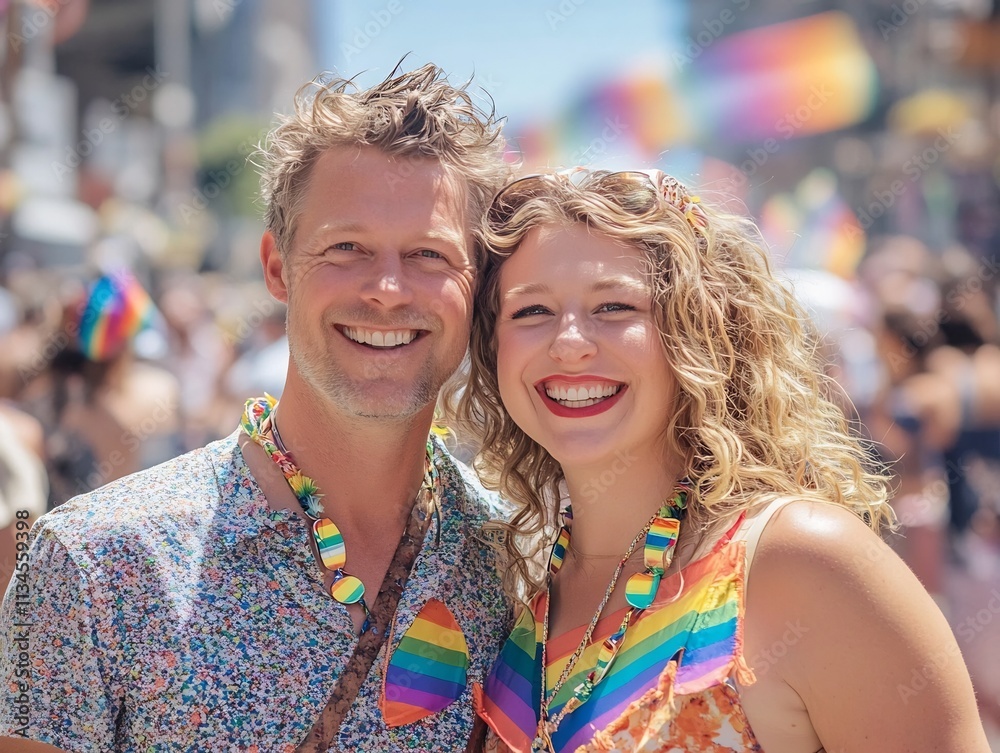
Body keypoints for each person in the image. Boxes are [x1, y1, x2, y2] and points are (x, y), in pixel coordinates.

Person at [0, 63, 512, 752]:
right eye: (346, 248)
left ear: (476, 283)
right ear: (277, 267)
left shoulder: (519, 566)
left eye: (429, 254)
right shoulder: (94, 564)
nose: (387, 289)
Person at [458, 169, 990, 752]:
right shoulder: (515, 585)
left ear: (697, 331)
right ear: (493, 347)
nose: (569, 341)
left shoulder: (799, 563)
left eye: (614, 305)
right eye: (531, 311)